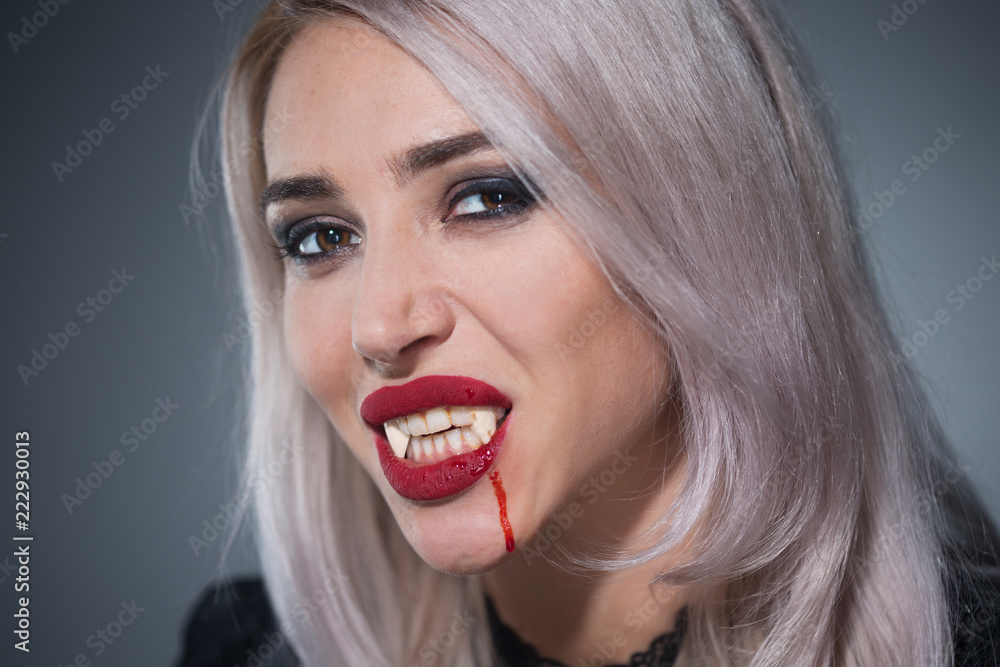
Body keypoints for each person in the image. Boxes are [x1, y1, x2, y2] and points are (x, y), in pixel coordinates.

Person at [176, 1, 1000, 665]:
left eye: (487, 196)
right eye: (319, 237)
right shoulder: (247, 649)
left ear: (707, 221)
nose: (380, 325)